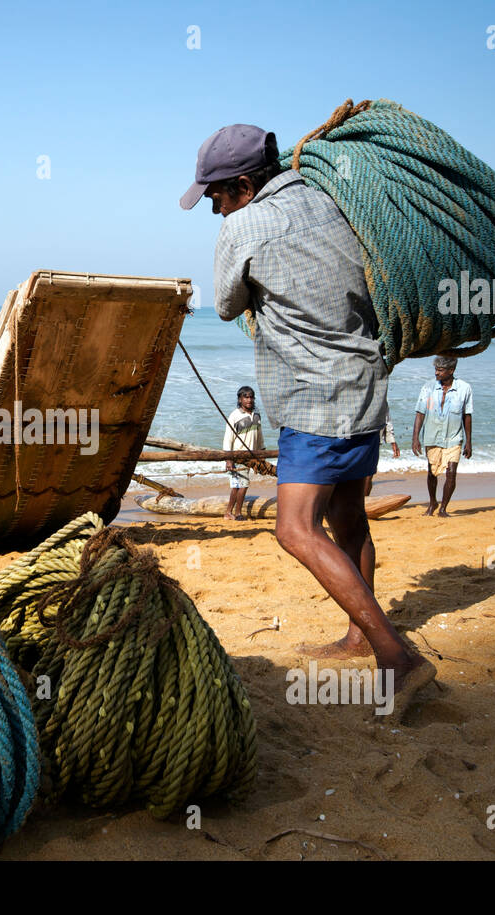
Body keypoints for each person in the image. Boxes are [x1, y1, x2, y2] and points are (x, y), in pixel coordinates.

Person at [182, 122, 434, 705]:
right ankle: (358, 637)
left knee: (294, 530)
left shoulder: (243, 225)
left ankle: (397, 655)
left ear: (244, 186)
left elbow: (225, 305)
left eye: (215, 196)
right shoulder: (328, 200)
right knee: (349, 520)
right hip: (365, 382)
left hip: (312, 395)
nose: (213, 209)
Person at [411, 356, 473, 517]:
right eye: (436, 369)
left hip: (454, 437)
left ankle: (443, 508)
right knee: (432, 472)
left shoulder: (464, 388)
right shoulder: (428, 387)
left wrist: (469, 442)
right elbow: (420, 413)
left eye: (440, 370)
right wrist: (415, 438)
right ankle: (433, 502)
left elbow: (467, 416)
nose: (436, 373)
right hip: (432, 436)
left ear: (451, 371)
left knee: (451, 472)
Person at [223, 385, 264, 520]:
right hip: (237, 456)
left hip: (251, 456)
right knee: (244, 485)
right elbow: (228, 438)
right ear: (240, 399)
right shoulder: (235, 415)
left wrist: (261, 453)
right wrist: (229, 459)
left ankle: (228, 513)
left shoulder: (256, 414)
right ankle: (238, 513)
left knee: (236, 486)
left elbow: (259, 435)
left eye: (251, 397)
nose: (249, 400)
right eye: (245, 397)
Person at [364, 410, 400, 496]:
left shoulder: (380, 397)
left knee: (369, 474)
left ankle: (364, 501)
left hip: (374, 438)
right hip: (357, 437)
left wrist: (392, 441)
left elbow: (386, 417)